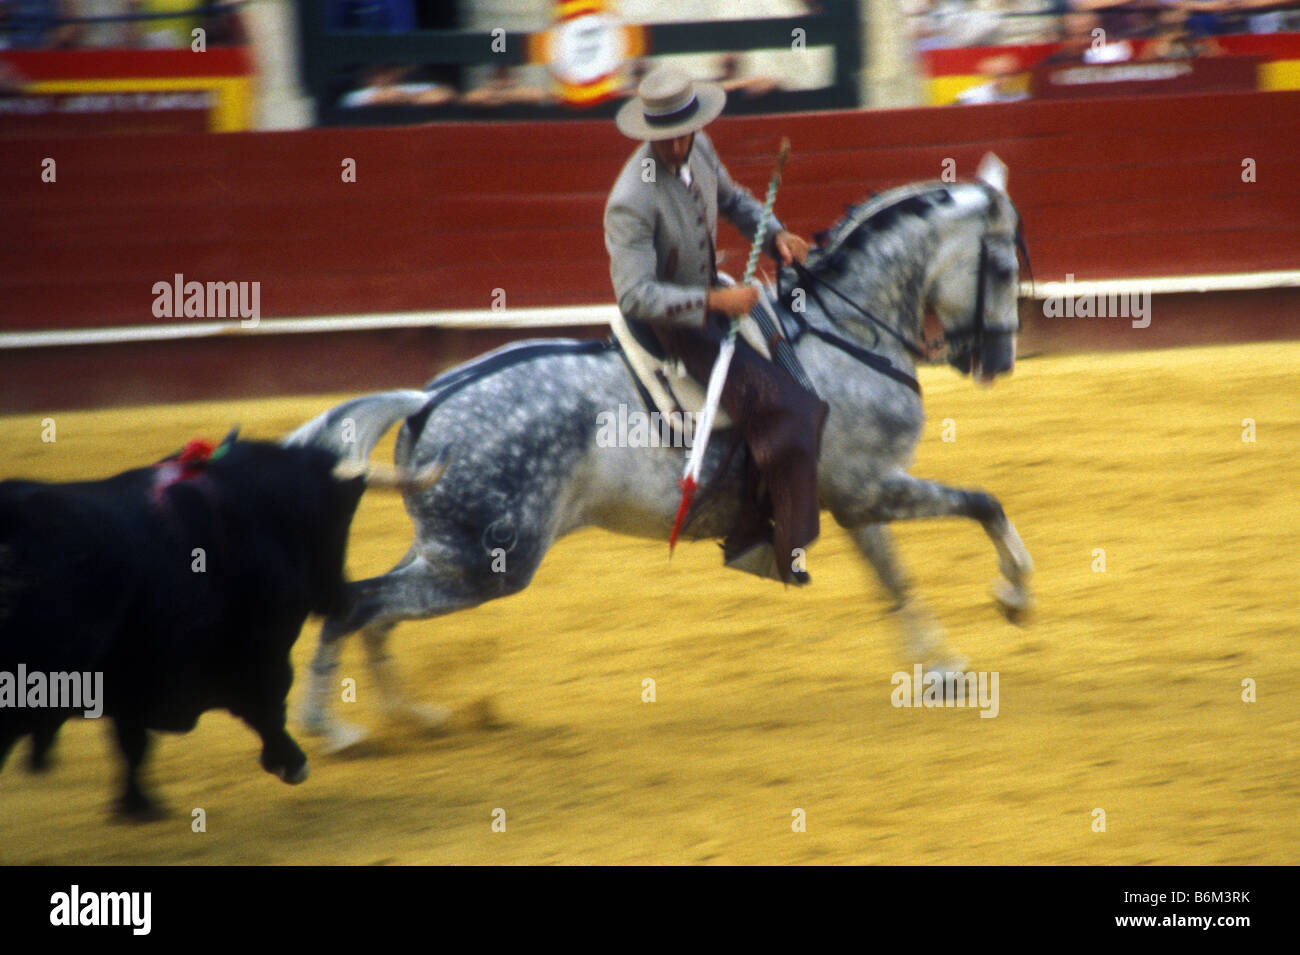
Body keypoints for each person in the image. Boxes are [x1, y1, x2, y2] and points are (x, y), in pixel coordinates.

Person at [604, 66, 828, 586]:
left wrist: (772, 235)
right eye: (667, 137)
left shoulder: (700, 148)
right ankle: (762, 543)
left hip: (716, 291)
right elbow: (636, 295)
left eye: (685, 132)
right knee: (791, 412)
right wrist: (717, 301)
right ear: (649, 134)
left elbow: (733, 200)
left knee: (798, 378)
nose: (679, 144)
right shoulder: (629, 200)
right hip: (676, 323)